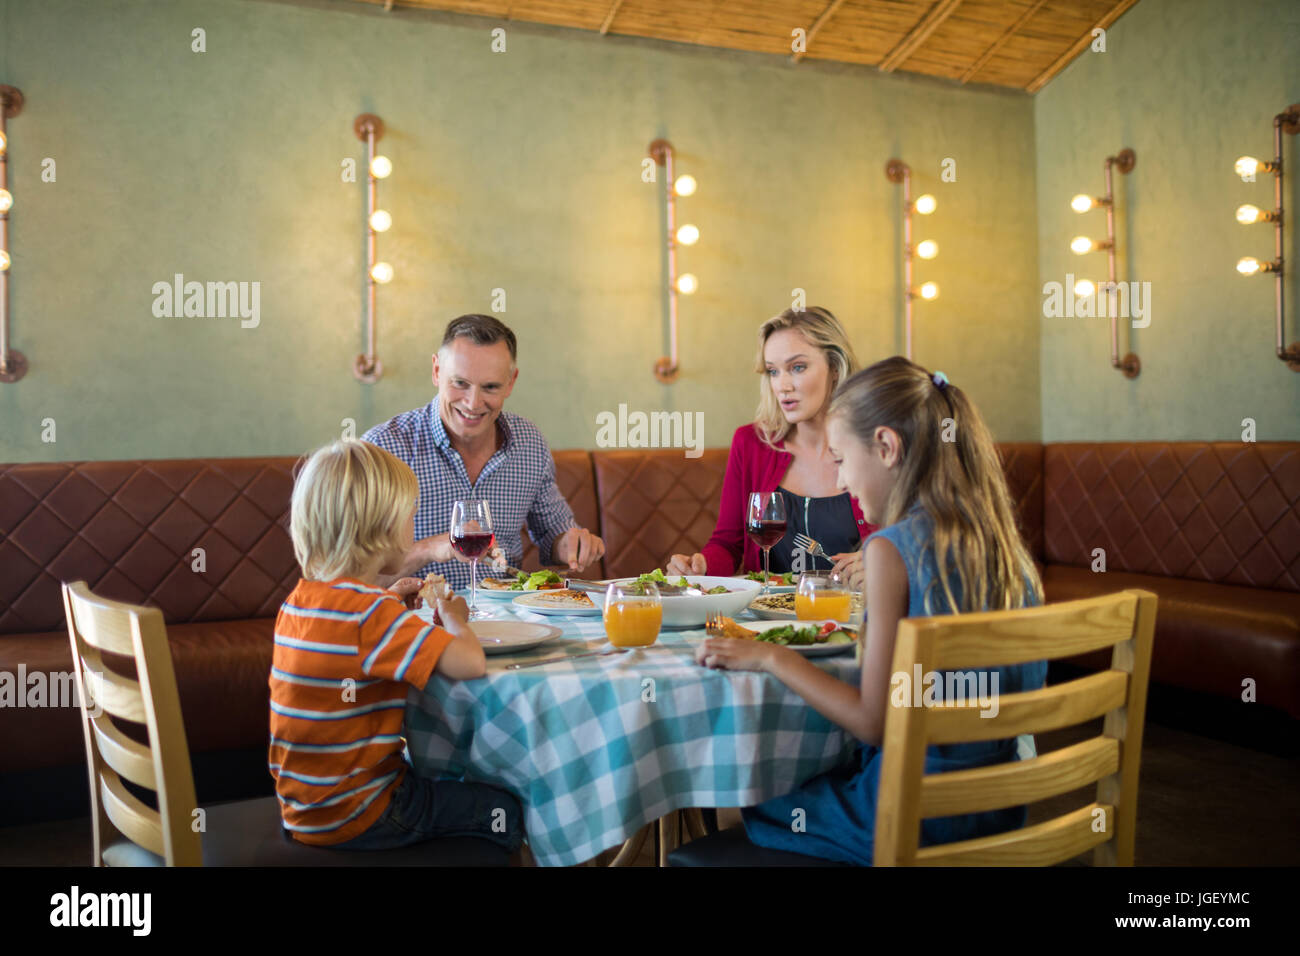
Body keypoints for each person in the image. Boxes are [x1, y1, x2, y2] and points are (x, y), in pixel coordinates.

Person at [695, 357, 1047, 865]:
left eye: (840, 459)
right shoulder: (1004, 547)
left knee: (736, 803)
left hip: (904, 817)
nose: (839, 480)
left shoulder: (890, 550)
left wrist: (771, 657)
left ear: (886, 446)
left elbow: (872, 722)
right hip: (998, 808)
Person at [269, 438, 524, 855]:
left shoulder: (299, 601)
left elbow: (351, 638)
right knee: (505, 809)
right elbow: (469, 662)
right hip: (365, 812)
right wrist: (452, 613)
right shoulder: (372, 615)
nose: (414, 525)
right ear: (382, 529)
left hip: (304, 807)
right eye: (410, 515)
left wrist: (390, 605)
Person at [364, 314, 604, 590]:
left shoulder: (529, 443)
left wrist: (571, 544)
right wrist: (432, 548)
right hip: (415, 623)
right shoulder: (383, 448)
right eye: (460, 383)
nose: (473, 403)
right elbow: (352, 574)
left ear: (511, 382)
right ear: (437, 371)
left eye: (490, 387)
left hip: (507, 625)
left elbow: (554, 534)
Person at [667, 307, 876, 586]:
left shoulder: (874, 445)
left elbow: (915, 538)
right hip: (770, 618)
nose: (782, 385)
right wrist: (702, 565)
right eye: (773, 371)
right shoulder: (751, 443)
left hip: (852, 615)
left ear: (835, 368)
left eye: (797, 367)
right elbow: (729, 544)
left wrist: (880, 558)